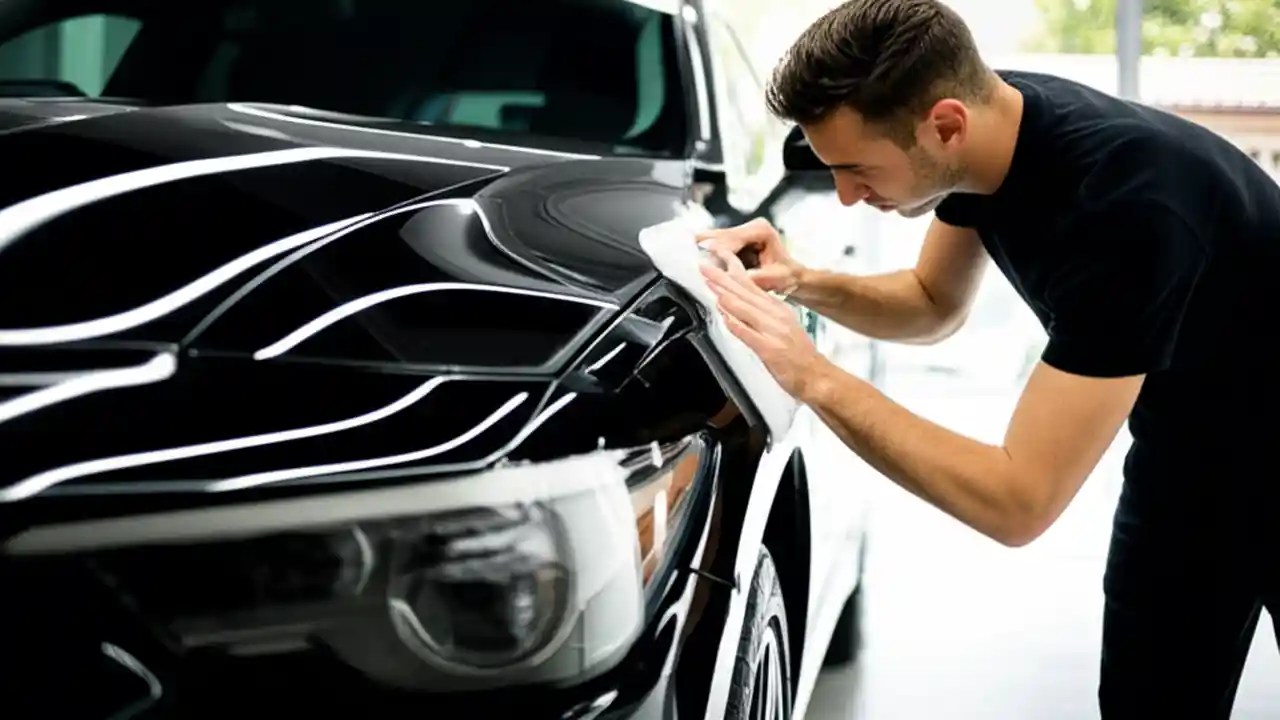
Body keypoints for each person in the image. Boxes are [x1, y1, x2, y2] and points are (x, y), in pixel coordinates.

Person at [694, 0, 1280, 717]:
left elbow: (1016, 500)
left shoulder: (1129, 210)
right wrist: (800, 280)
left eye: (855, 169)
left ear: (945, 125)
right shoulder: (987, 131)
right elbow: (930, 301)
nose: (845, 196)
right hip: (1194, 453)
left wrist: (812, 375)